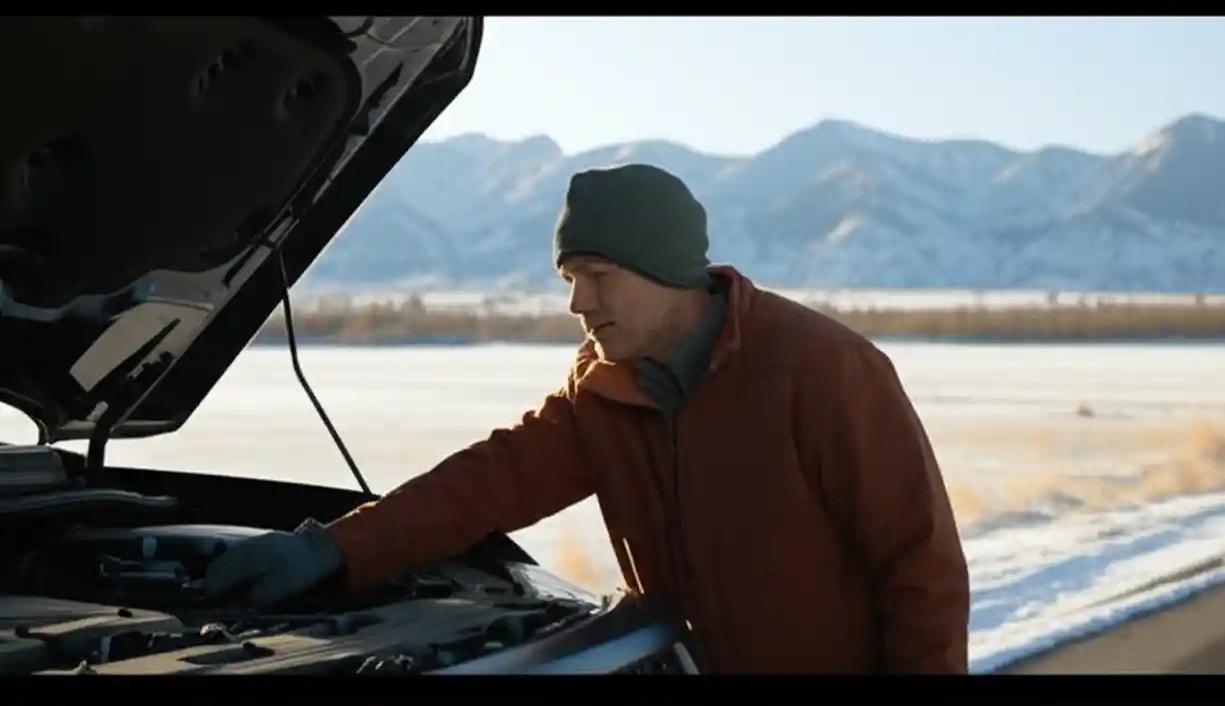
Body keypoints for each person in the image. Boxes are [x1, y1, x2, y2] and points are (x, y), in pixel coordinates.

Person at [203, 163, 971, 674]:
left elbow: (922, 568)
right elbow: (487, 484)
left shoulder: (821, 368)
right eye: (571, 278)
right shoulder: (604, 388)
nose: (579, 303)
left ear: (669, 272)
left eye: (598, 276)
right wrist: (335, 550)